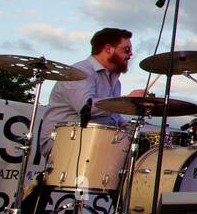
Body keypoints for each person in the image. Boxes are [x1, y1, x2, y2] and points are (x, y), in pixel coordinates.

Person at [34, 28, 149, 163]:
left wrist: (127, 126)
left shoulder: (115, 82)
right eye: (126, 50)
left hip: (94, 140)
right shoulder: (80, 72)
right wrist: (126, 101)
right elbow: (86, 108)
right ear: (108, 49)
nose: (130, 55)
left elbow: (113, 117)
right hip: (64, 140)